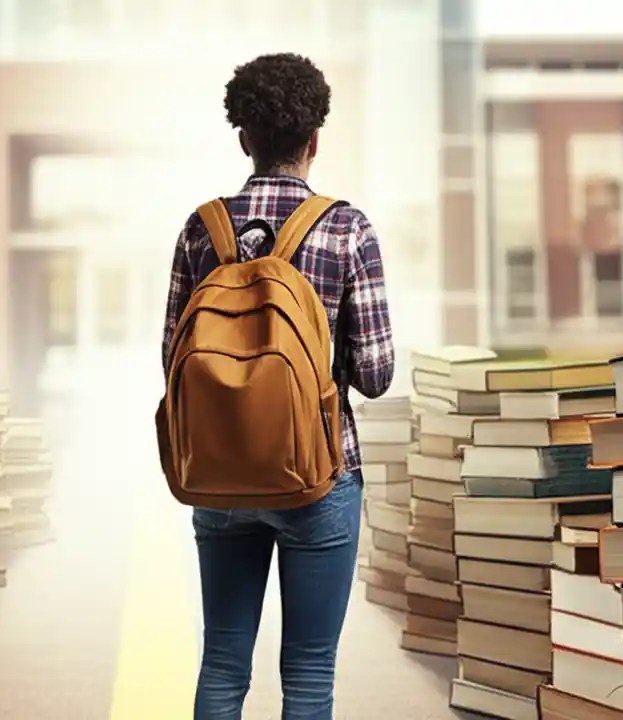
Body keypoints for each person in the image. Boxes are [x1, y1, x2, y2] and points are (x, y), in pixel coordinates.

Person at [161, 53, 395, 720]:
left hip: (219, 477)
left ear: (244, 138)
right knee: (310, 675)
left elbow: (171, 361)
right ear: (315, 139)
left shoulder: (201, 230)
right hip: (318, 475)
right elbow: (375, 377)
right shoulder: (347, 229)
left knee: (224, 662)